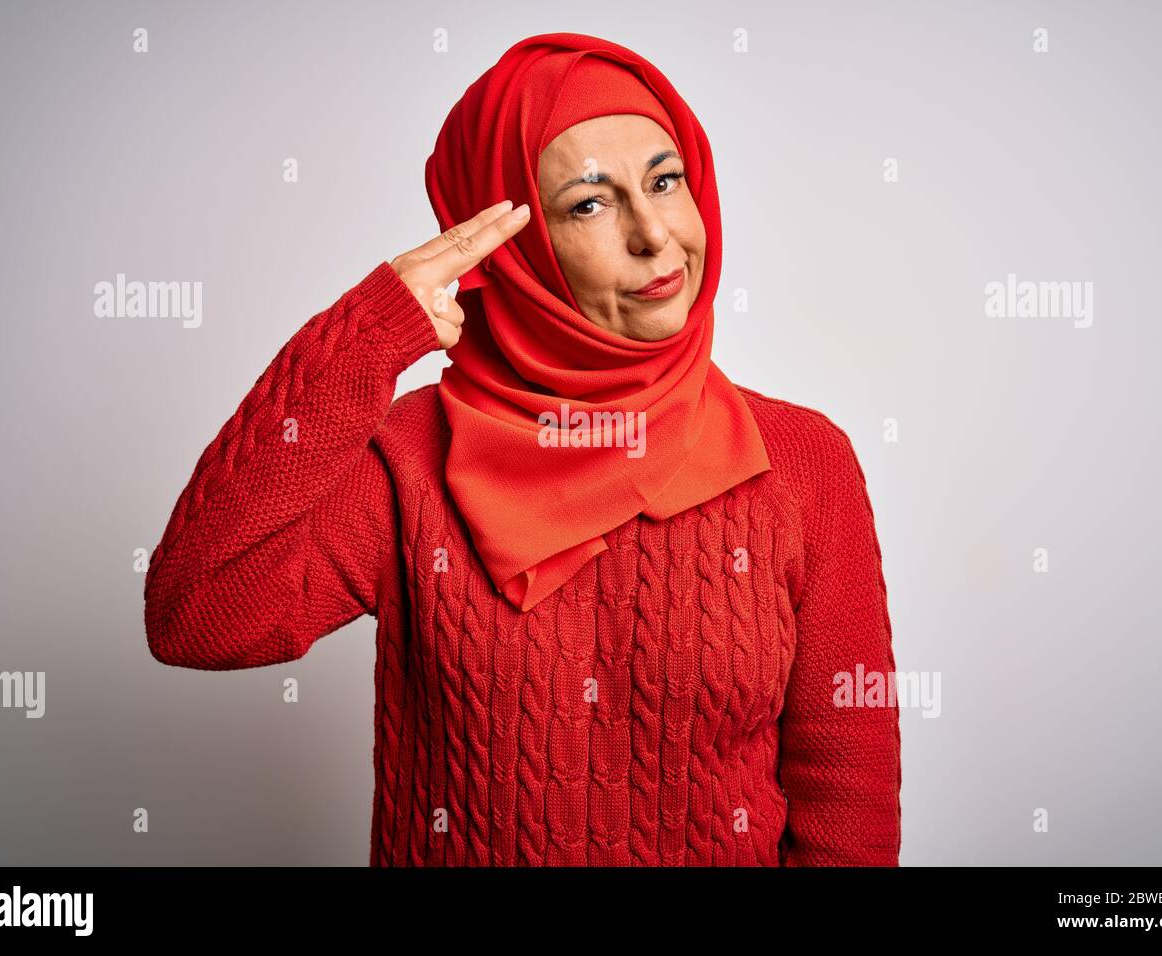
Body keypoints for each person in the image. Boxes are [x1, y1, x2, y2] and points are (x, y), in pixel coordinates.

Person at [144, 32, 901, 867]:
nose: (654, 235)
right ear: (516, 249)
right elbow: (196, 614)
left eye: (665, 179)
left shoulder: (801, 461)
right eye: (589, 203)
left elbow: (849, 803)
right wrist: (366, 336)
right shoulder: (412, 458)